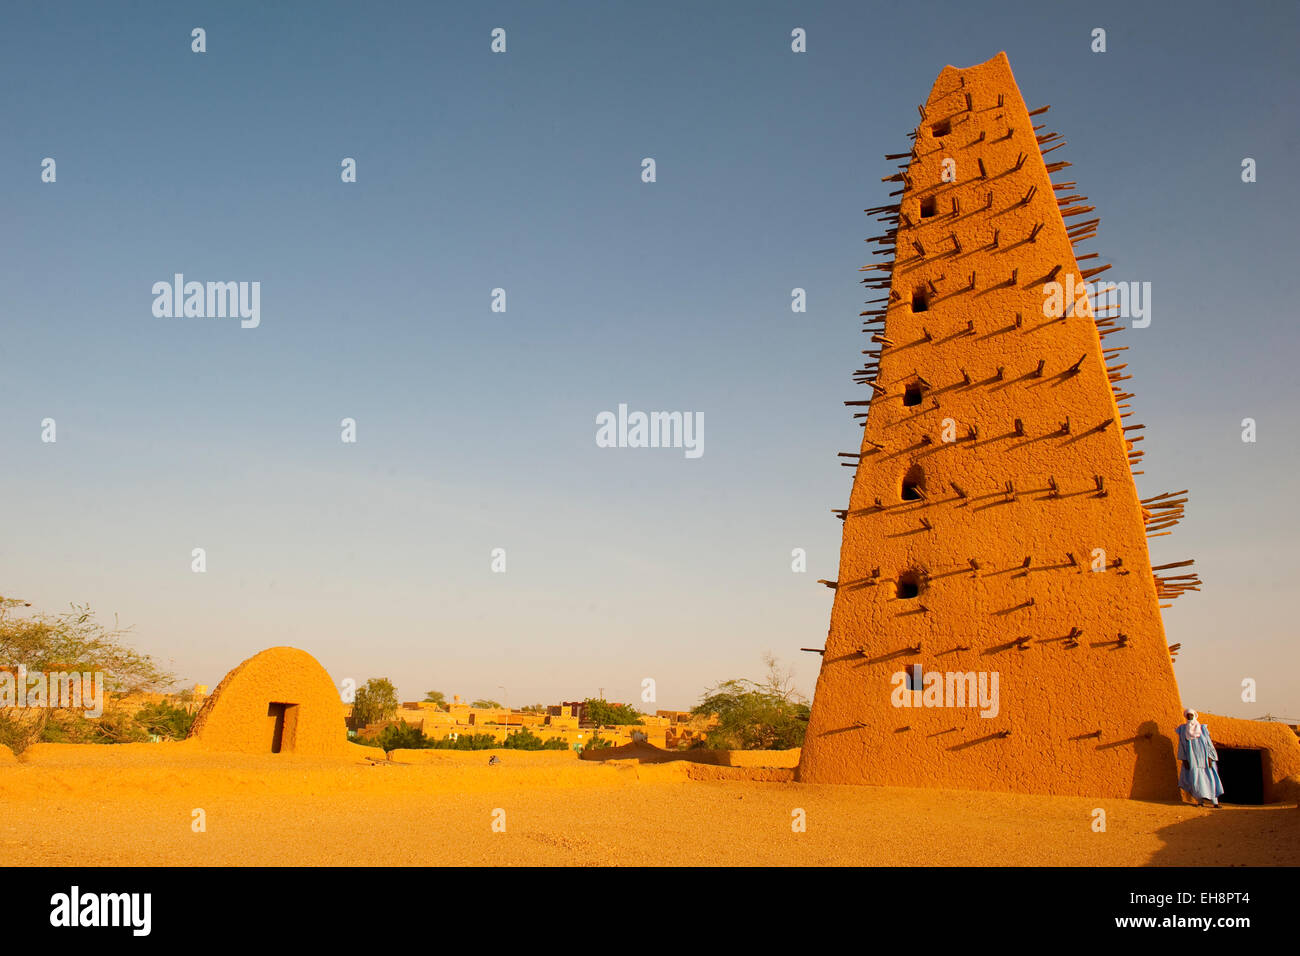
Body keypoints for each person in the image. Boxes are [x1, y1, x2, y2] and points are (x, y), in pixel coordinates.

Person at [1176, 709, 1223, 808]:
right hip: (1192, 760)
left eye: (1191, 715)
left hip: (1205, 760)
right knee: (1196, 780)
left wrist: (1210, 757)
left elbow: (1209, 744)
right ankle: (1200, 801)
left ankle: (1215, 802)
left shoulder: (1202, 729)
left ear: (1195, 716)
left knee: (1210, 779)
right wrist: (1184, 759)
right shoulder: (1183, 730)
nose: (1189, 717)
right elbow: (1182, 746)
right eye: (1187, 715)